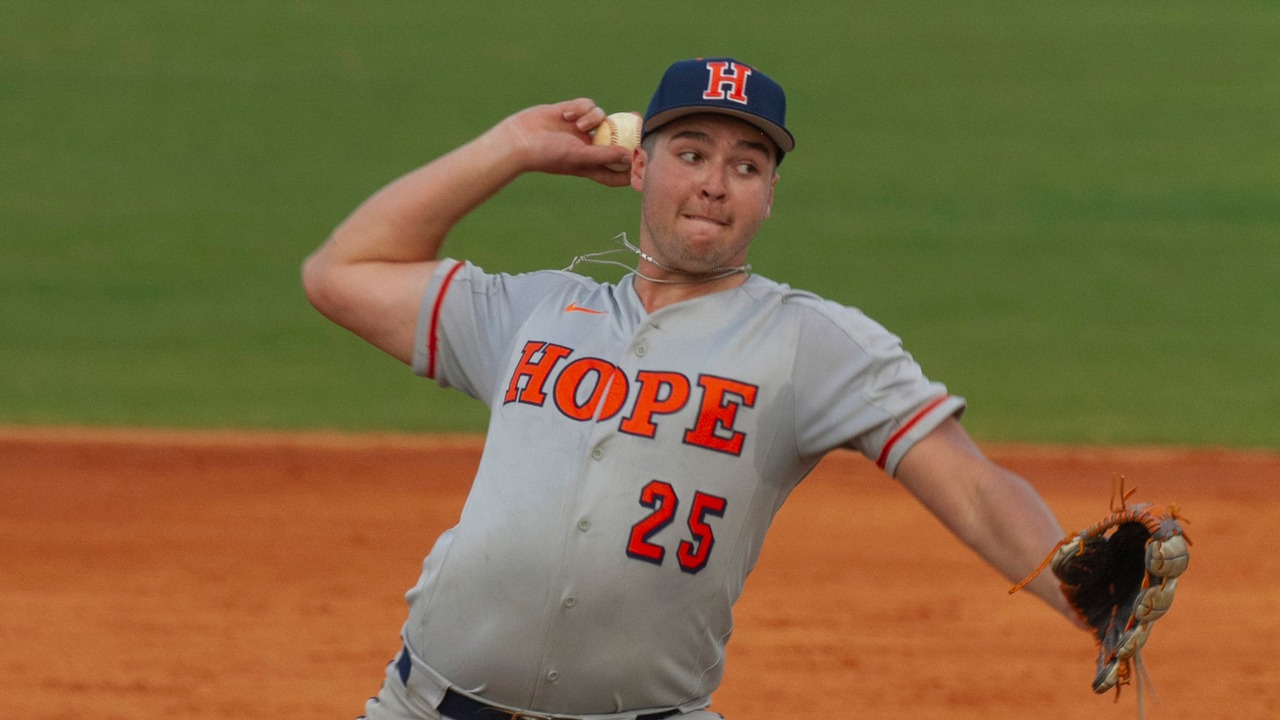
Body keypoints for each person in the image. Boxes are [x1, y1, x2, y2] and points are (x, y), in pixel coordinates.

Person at [303, 57, 1079, 720]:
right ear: (638, 165)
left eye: (747, 166)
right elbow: (342, 274)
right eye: (692, 153)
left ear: (769, 195)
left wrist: (1079, 586)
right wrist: (509, 148)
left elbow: (974, 487)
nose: (715, 184)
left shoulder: (810, 344)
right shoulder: (535, 311)